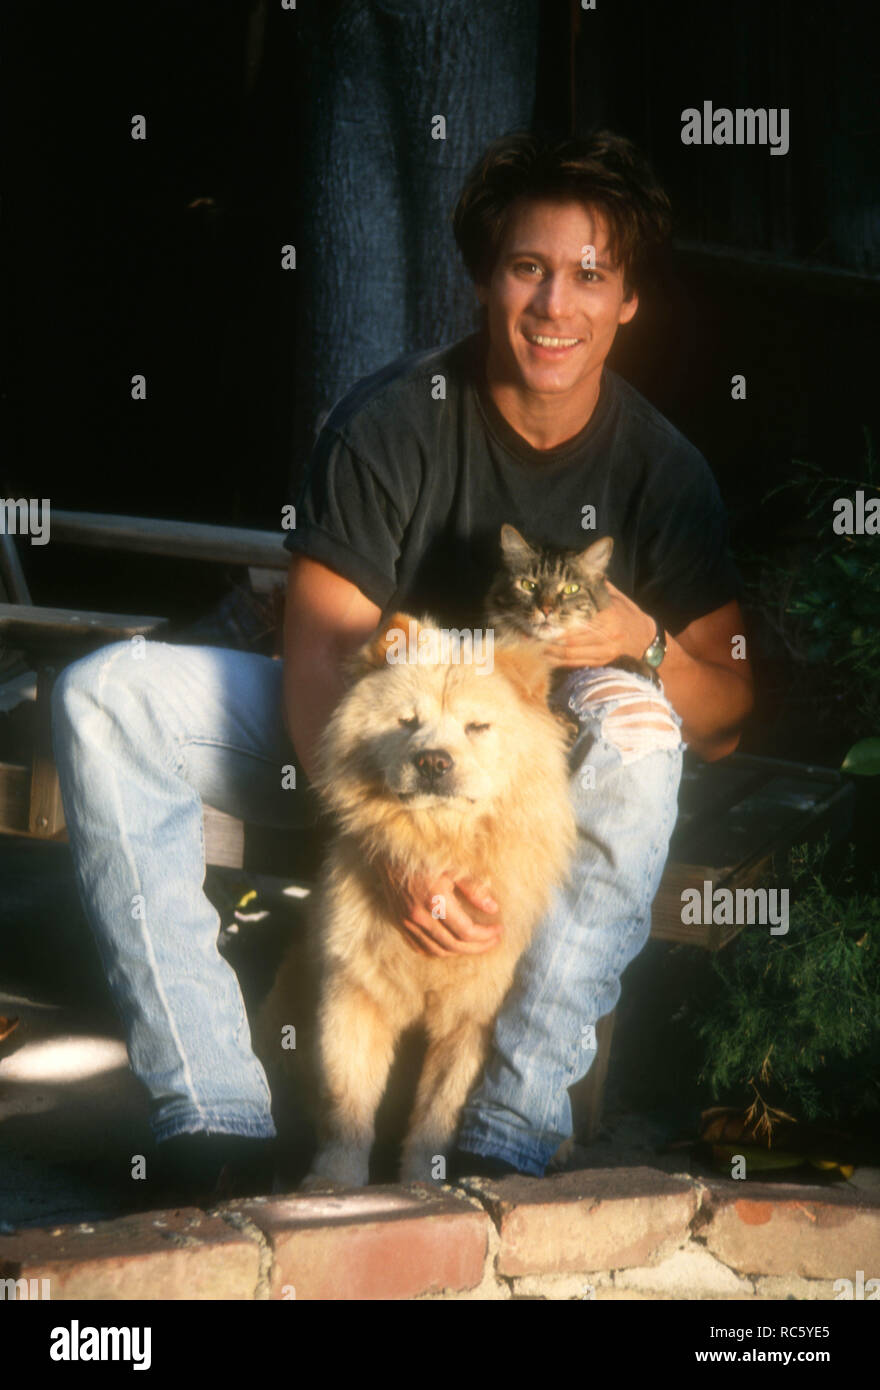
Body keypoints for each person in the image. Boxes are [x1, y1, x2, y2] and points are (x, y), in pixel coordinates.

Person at [52, 130, 753, 1200]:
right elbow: (323, 665)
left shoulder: (662, 469)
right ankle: (212, 1109)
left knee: (648, 728)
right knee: (105, 694)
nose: (553, 306)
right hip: (374, 741)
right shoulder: (393, 420)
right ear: (483, 278)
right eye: (527, 267)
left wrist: (641, 640)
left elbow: (727, 710)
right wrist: (394, 858)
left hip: (532, 773)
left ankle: (508, 1122)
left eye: (588, 276)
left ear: (627, 303)